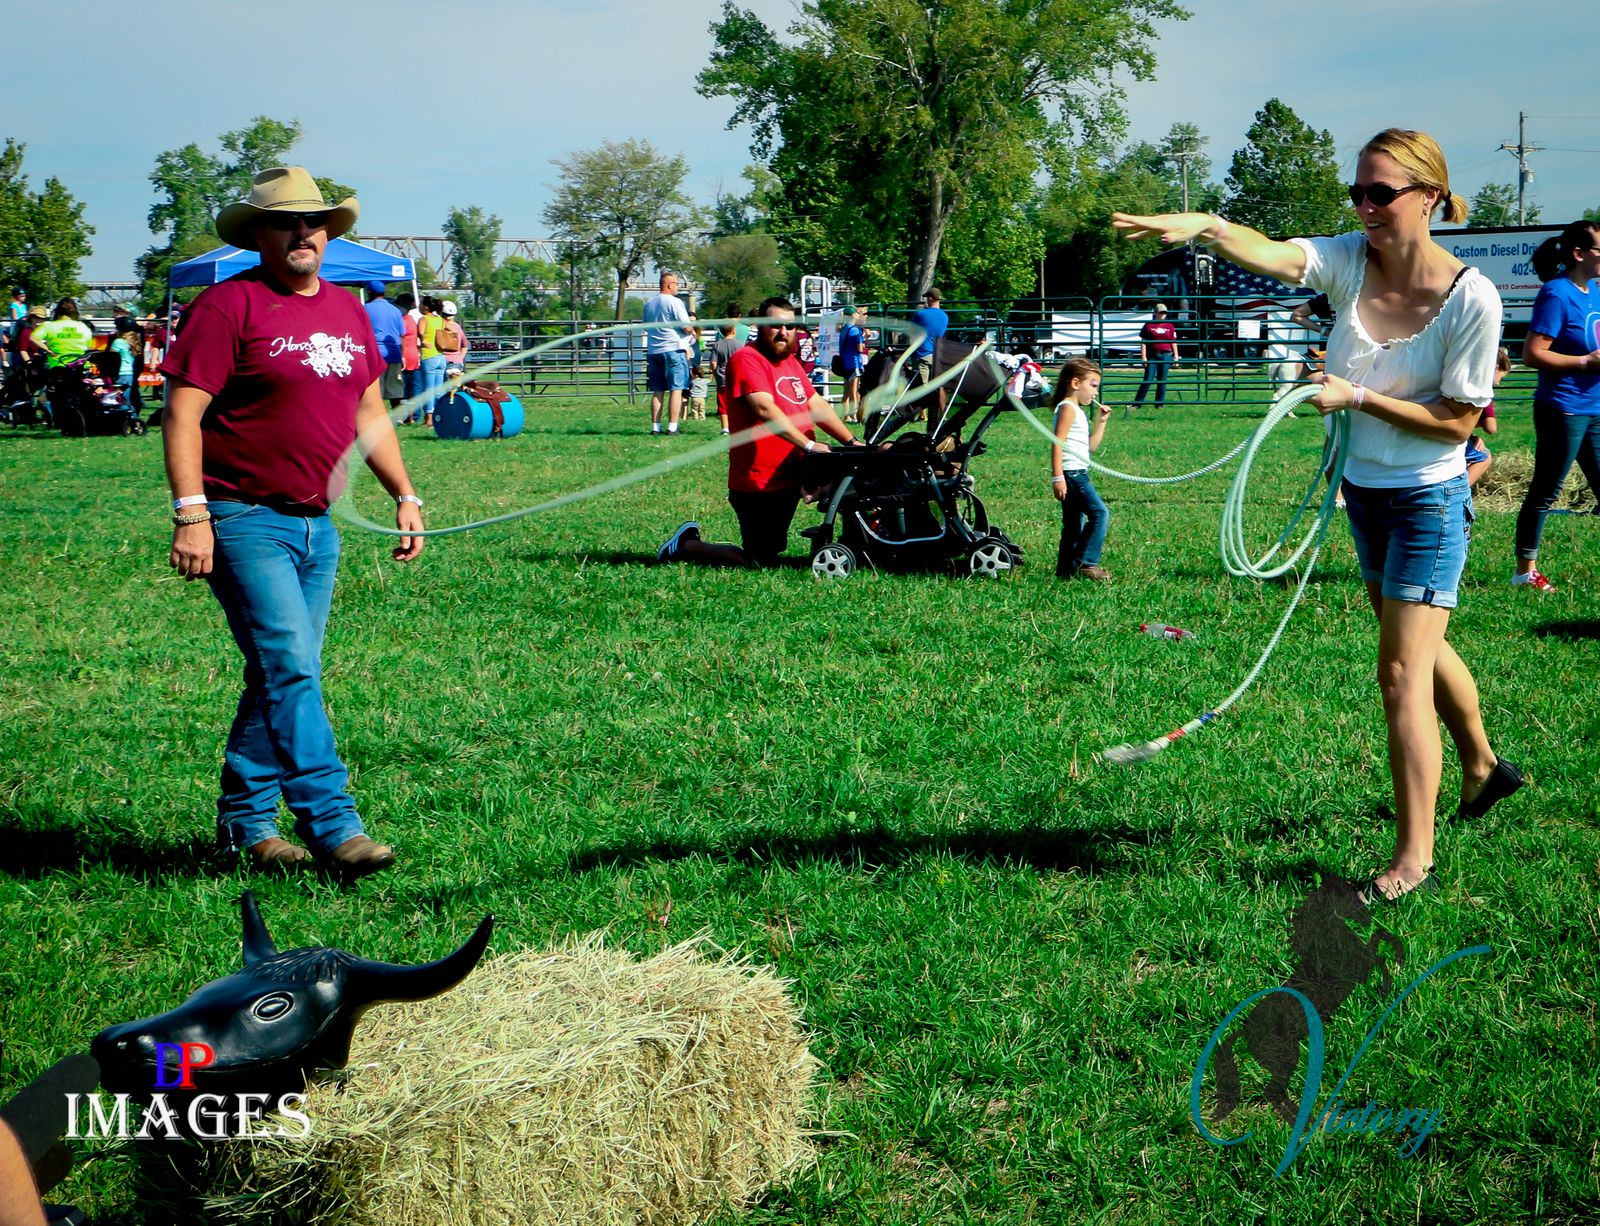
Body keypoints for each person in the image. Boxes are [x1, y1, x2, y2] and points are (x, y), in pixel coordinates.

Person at [1113, 127, 1521, 904]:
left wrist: (1356, 394)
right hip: (1364, 491)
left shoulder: (1472, 296)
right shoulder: (1346, 258)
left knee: (1400, 672)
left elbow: (1459, 423)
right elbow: (1272, 253)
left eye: (1382, 193)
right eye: (1357, 192)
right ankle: (1481, 766)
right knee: (1421, 653)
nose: (1365, 207)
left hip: (1430, 499)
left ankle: (1414, 857)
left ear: (1430, 196)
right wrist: (1204, 226)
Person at [160, 165, 424, 879]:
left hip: (317, 525)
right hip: (243, 516)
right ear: (258, 234)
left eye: (313, 221)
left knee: (278, 672)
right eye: (286, 222)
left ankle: (247, 825)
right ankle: (334, 825)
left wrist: (405, 493)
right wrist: (192, 513)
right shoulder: (227, 306)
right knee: (291, 666)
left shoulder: (344, 308)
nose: (302, 232)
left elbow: (370, 411)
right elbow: (183, 412)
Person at [657, 296, 863, 568]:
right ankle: (685, 545)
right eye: (774, 326)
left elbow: (816, 405)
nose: (783, 333)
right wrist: (809, 446)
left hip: (797, 470)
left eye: (789, 327)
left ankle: (859, 544)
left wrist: (852, 442)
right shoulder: (747, 359)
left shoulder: (790, 362)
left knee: (860, 475)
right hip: (761, 482)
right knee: (759, 558)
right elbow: (765, 410)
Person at [1512, 220, 1600, 592]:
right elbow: (1533, 354)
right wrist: (1585, 363)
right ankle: (1524, 573)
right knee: (1547, 490)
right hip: (1562, 408)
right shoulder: (1556, 293)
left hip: (1594, 408)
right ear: (1579, 254)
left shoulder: (1594, 291)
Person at [1049, 358, 1114, 582]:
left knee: (1073, 523)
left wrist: (1102, 421)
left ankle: (1066, 569)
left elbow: (1090, 447)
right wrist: (1058, 477)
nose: (1095, 392)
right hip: (1071, 473)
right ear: (1076, 383)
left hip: (1078, 471)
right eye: (1093, 385)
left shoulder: (1077, 410)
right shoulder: (1067, 408)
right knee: (1099, 513)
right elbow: (1056, 443)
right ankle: (1087, 562)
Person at [643, 271, 691, 434]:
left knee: (657, 390)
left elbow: (645, 326)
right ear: (670, 285)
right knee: (676, 389)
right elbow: (686, 326)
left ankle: (655, 426)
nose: (678, 286)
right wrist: (691, 331)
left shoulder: (649, 303)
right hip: (673, 349)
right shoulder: (675, 302)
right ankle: (672, 426)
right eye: (677, 284)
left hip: (654, 350)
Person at [30, 298, 94, 420]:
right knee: (78, 394)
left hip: (58, 367)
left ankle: (61, 420)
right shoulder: (82, 327)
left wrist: (47, 350)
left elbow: (33, 338)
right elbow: (88, 346)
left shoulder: (49, 326)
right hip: (80, 367)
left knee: (58, 396)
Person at [1465, 348, 1509, 488]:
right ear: (1496, 368)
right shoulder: (1484, 390)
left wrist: (1470, 435)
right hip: (1447, 436)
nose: (1498, 383)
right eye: (1501, 377)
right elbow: (1491, 428)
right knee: (1484, 456)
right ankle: (1458, 492)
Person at [364, 280, 406, 411]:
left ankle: (377, 415)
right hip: (393, 353)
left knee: (376, 389)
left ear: (369, 292)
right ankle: (398, 417)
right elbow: (402, 336)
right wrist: (402, 356)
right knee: (395, 388)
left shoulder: (365, 309)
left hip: (374, 354)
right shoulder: (395, 311)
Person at [908, 287, 949, 418]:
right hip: (938, 355)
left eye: (926, 298)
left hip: (923, 354)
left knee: (922, 387)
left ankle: (916, 414)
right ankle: (942, 413)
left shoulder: (921, 314)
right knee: (940, 386)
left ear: (930, 299)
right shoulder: (944, 316)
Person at [1130, 302, 1177, 411]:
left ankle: (1159, 404)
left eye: (1164, 313)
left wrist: (1176, 356)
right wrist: (1144, 357)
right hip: (1152, 356)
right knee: (1148, 379)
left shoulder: (1169, 326)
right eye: (1160, 312)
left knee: (1162, 380)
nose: (1162, 315)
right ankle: (1137, 404)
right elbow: (1144, 342)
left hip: (1166, 355)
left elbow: (1173, 342)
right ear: (1155, 313)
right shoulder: (1148, 325)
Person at [415, 296, 445, 428]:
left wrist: (422, 342)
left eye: (421, 304)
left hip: (429, 356)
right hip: (440, 356)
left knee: (428, 389)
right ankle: (441, 415)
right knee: (438, 390)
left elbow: (421, 333)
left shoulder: (424, 319)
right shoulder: (440, 319)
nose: (419, 306)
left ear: (426, 307)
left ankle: (429, 418)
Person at [839, 304, 868, 422]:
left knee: (846, 391)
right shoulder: (855, 330)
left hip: (844, 362)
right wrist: (864, 342)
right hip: (854, 362)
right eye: (857, 313)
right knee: (854, 392)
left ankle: (846, 415)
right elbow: (860, 349)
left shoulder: (844, 328)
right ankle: (855, 415)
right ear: (853, 315)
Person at [710, 321, 740, 435]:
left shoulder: (717, 345)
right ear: (733, 330)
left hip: (722, 378)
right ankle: (736, 426)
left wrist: (715, 373)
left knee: (723, 404)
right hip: (736, 377)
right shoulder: (740, 344)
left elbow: (713, 363)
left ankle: (725, 428)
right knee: (737, 403)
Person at [395, 291, 421, 416]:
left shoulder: (402, 320)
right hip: (414, 356)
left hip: (404, 356)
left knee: (403, 389)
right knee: (414, 389)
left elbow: (399, 338)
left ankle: (405, 416)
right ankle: (415, 415)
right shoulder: (411, 319)